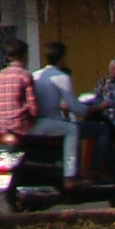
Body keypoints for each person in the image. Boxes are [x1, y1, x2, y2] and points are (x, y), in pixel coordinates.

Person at [34, 40, 79, 177]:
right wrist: (93, 108)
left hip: (36, 122)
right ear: (62, 58)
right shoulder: (62, 77)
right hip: (50, 122)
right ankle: (70, 175)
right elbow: (73, 107)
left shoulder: (35, 75)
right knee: (73, 129)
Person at [0, 37, 38, 144]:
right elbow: (34, 110)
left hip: (3, 127)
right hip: (22, 127)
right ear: (25, 55)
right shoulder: (24, 75)